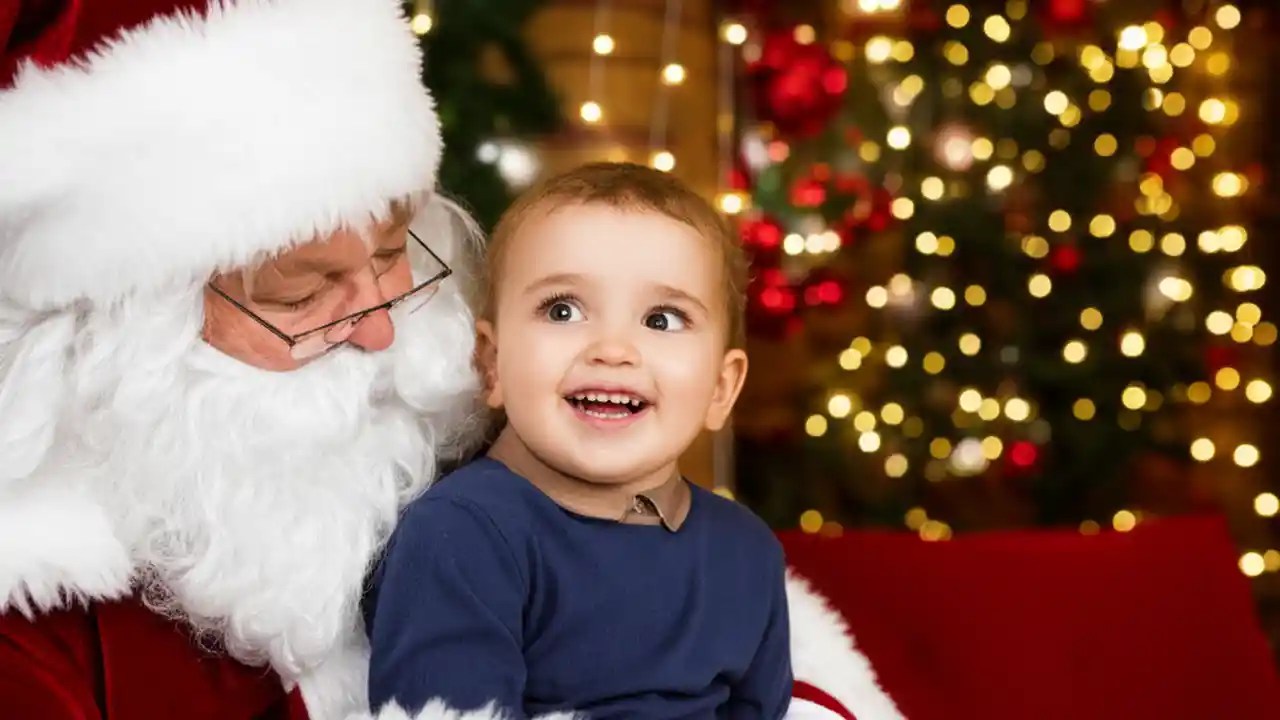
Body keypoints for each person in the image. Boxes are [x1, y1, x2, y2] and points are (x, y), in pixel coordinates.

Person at [0, 1, 900, 719]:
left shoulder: (492, 437)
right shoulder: (52, 633)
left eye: (394, 252)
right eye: (299, 291)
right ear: (126, 327)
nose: (384, 333)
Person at [366, 163, 789, 718]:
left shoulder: (746, 552)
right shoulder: (462, 534)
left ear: (720, 387)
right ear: (491, 363)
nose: (613, 349)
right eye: (562, 310)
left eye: (662, 319)